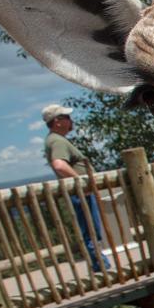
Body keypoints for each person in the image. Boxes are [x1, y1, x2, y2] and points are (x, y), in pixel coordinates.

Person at [43, 104, 110, 271]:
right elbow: (59, 165)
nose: (71, 120)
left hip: (80, 192)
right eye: (66, 117)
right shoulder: (57, 141)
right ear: (57, 121)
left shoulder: (56, 139)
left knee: (91, 230)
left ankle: (100, 266)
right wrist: (81, 181)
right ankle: (101, 267)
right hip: (79, 193)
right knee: (91, 230)